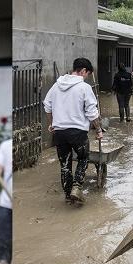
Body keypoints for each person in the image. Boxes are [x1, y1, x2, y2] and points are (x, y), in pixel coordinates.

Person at [43, 57, 102, 204]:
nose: (87, 77)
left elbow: (47, 106)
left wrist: (51, 124)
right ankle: (77, 187)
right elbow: (92, 113)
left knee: (65, 164)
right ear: (83, 71)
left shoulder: (56, 86)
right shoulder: (84, 88)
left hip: (60, 132)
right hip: (77, 132)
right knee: (83, 158)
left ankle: (68, 196)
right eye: (87, 74)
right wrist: (99, 130)